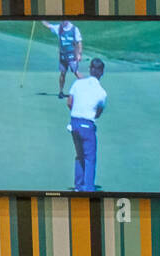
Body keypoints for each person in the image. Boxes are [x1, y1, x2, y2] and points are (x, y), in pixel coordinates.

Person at [66, 59, 107, 192]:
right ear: (101, 72)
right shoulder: (102, 92)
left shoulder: (78, 83)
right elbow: (98, 112)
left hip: (74, 123)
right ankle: (88, 189)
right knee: (90, 158)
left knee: (79, 155)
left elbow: (69, 102)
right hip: (87, 125)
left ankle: (78, 186)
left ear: (90, 69)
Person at [42, 19, 83, 99]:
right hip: (63, 55)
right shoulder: (59, 28)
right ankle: (61, 92)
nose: (62, 22)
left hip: (72, 55)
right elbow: (48, 25)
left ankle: (87, 88)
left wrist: (79, 54)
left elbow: (79, 42)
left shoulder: (74, 29)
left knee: (76, 72)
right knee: (63, 73)